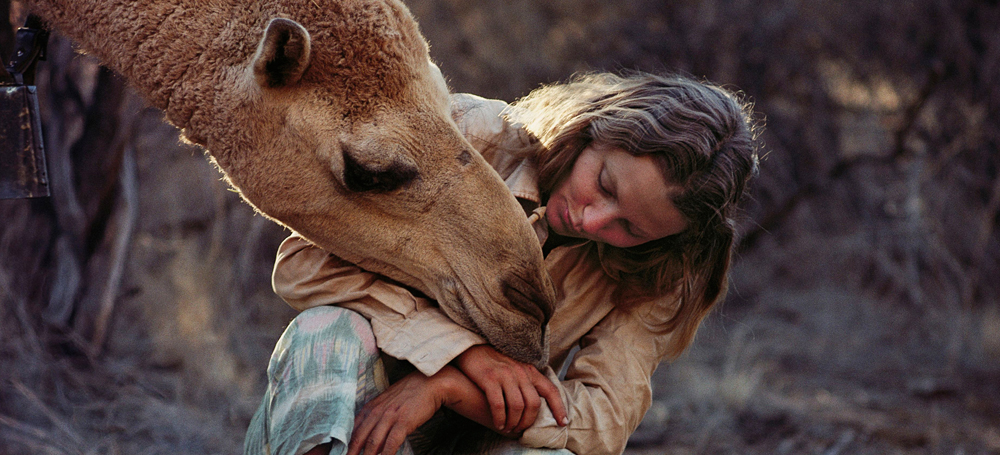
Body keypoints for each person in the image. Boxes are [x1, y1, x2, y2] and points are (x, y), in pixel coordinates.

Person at [244, 71, 761, 455]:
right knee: (326, 332)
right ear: (593, 127)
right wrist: (461, 352)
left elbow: (603, 419)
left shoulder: (661, 265)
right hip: (349, 413)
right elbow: (305, 262)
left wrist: (445, 387)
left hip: (481, 436)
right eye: (604, 185)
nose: (593, 220)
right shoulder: (467, 134)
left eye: (630, 229)